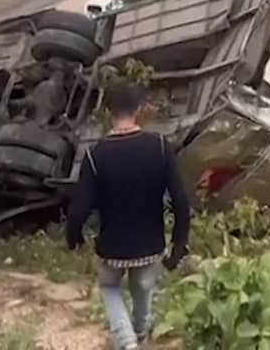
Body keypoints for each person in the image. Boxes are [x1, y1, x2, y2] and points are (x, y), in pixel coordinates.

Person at [67, 83, 190, 350]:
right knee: (144, 287)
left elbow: (79, 208)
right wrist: (179, 245)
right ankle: (140, 333)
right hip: (150, 245)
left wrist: (73, 238)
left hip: (112, 247)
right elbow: (180, 200)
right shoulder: (159, 146)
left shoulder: (95, 155)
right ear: (140, 110)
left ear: (108, 111)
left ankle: (126, 342)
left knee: (110, 288)